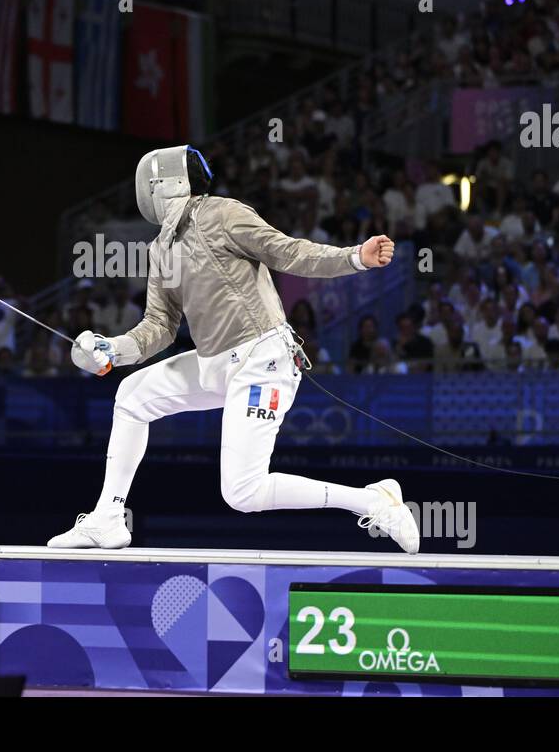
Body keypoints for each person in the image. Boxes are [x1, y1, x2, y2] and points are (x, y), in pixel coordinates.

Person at [52, 145, 419, 552]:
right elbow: (158, 326)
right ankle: (107, 517)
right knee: (132, 395)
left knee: (242, 493)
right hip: (215, 363)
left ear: (161, 183)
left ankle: (374, 501)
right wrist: (110, 350)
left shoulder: (222, 213)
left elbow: (286, 250)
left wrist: (354, 257)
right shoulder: (161, 249)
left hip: (263, 358)